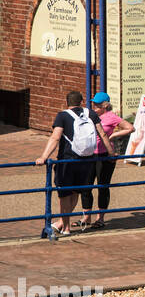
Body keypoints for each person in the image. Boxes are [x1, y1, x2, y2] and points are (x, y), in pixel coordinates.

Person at [35, 91, 115, 235]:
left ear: (67, 102)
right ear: (81, 102)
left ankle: (65, 227)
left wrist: (44, 157)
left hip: (67, 160)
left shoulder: (62, 116)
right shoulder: (90, 114)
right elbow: (102, 134)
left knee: (64, 194)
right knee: (75, 192)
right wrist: (111, 153)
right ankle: (62, 224)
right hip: (86, 160)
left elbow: (55, 138)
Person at [83, 92, 133, 229]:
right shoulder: (90, 115)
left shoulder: (111, 117)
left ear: (105, 105)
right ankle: (86, 217)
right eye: (93, 104)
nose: (94, 107)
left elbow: (130, 128)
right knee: (85, 186)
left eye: (97, 105)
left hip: (105, 155)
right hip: (89, 155)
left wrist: (113, 135)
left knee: (102, 186)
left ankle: (100, 218)